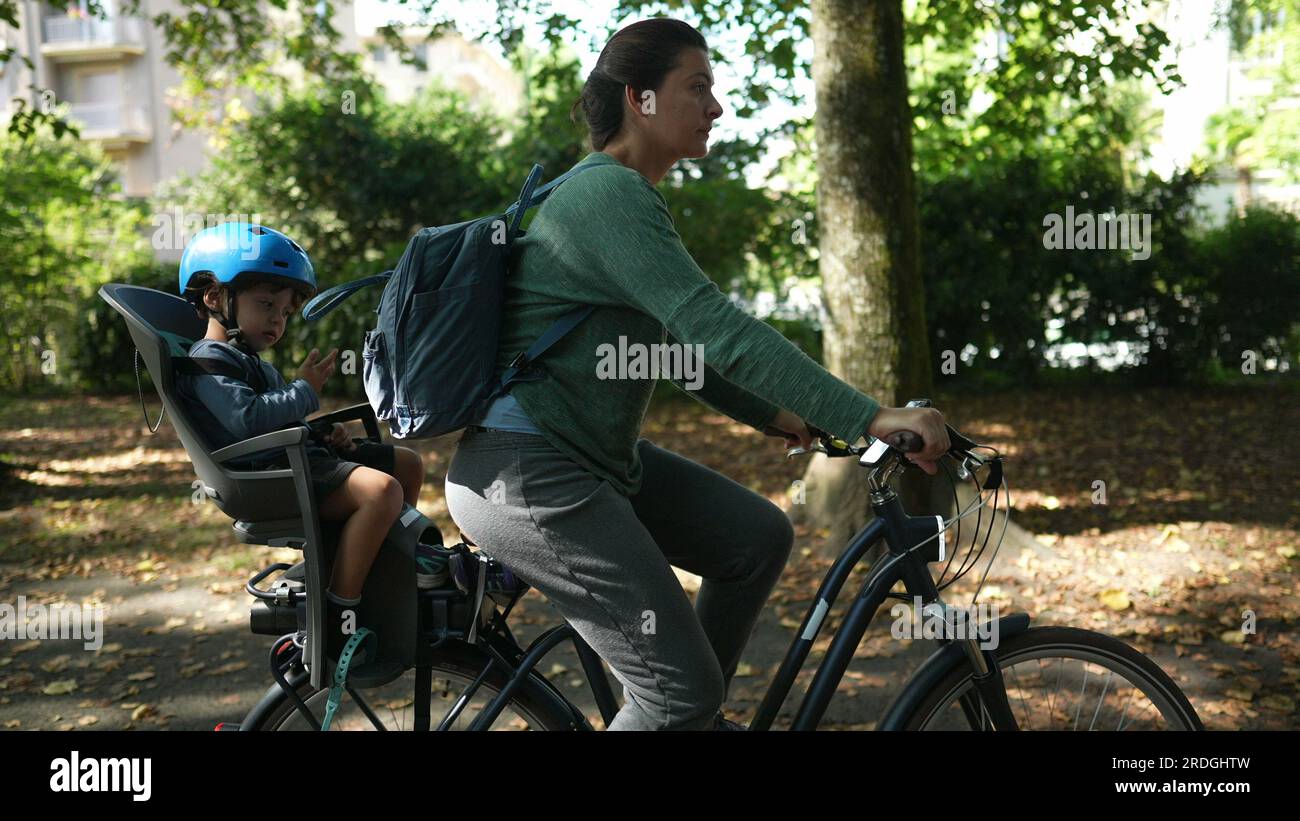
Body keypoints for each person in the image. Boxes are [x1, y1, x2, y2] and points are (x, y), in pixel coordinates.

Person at [444, 18, 950, 731]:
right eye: (698, 86)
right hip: (529, 474)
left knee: (755, 539)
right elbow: (718, 327)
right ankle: (678, 711)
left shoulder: (620, 196)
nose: (716, 106)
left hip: (583, 459)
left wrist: (774, 413)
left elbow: (678, 348)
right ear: (639, 99)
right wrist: (869, 416)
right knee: (679, 694)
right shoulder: (606, 197)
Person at [175, 222, 428, 664]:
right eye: (266, 304)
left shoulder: (252, 363)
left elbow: (279, 417)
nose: (277, 318)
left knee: (405, 464)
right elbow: (247, 420)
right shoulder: (207, 361)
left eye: (287, 311)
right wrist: (304, 390)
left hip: (298, 461)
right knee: (381, 491)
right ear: (214, 298)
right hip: (270, 478)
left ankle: (386, 563)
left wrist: (323, 434)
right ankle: (340, 611)